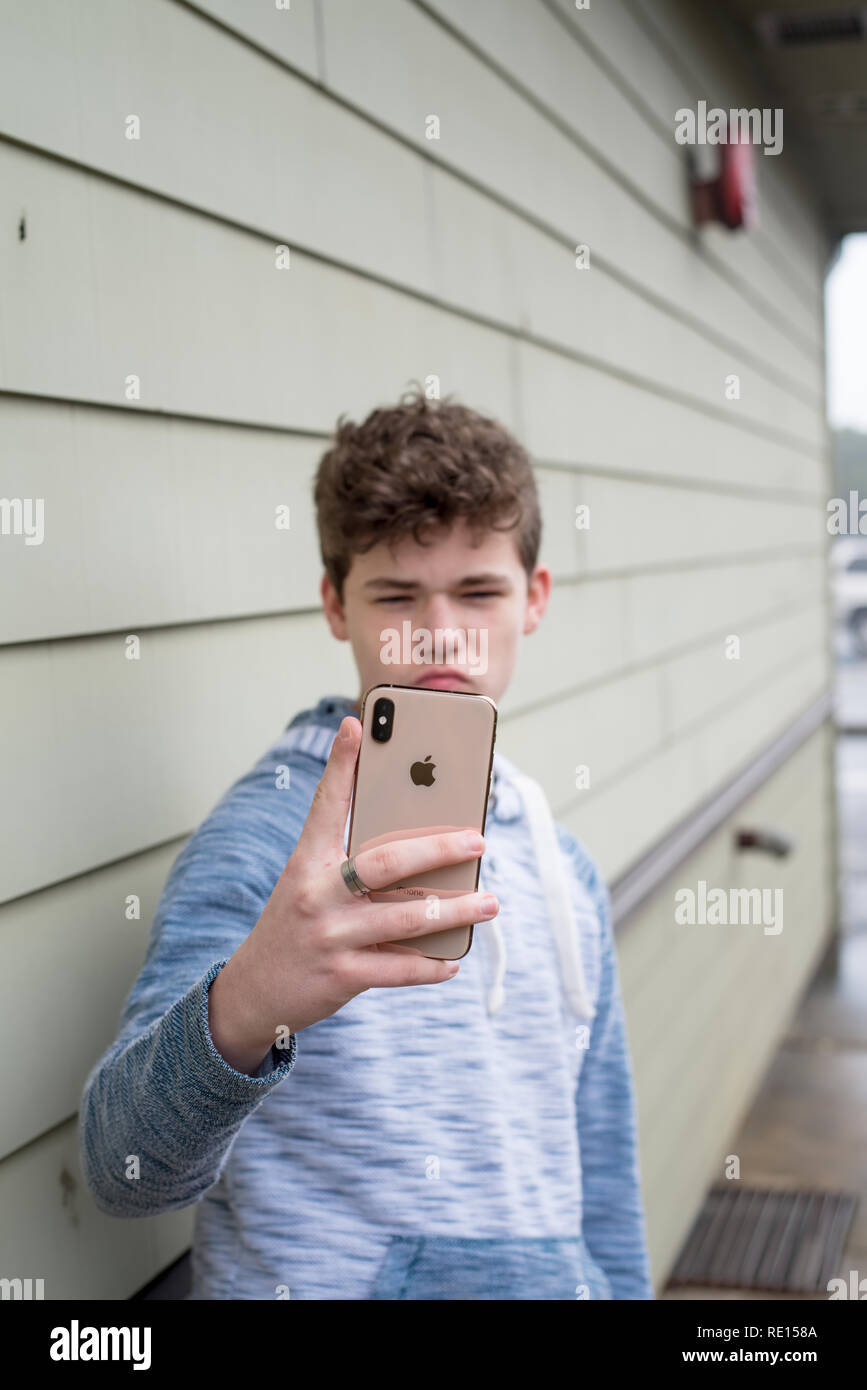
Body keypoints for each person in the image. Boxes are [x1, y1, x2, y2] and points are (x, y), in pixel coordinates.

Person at [79, 387, 654, 1301]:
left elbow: (603, 1168)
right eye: (395, 593)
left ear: (534, 598)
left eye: (477, 590)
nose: (438, 633)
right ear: (334, 604)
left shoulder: (563, 865)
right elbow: (121, 1169)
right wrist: (247, 1003)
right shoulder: (264, 843)